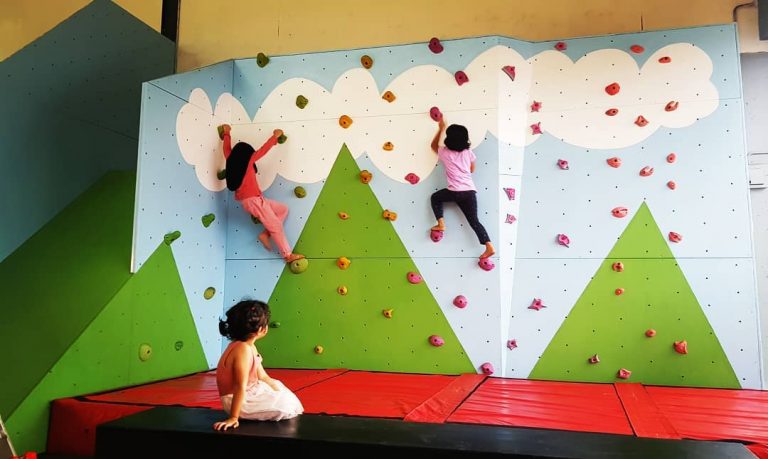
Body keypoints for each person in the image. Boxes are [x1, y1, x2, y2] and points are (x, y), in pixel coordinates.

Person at [219, 124, 304, 263]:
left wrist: (227, 132)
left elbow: (227, 148)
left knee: (283, 209)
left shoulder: (231, 159)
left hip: (256, 200)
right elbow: (263, 151)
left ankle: (265, 234)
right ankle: (287, 255)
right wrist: (275, 136)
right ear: (247, 155)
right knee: (275, 225)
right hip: (253, 201)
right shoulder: (247, 161)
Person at [214, 300, 304, 431]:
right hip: (237, 400)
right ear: (261, 329)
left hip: (249, 391)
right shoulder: (242, 349)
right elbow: (240, 386)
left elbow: (262, 375)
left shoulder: (248, 346)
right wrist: (234, 417)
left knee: (282, 391)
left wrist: (278, 390)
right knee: (284, 405)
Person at [430, 119, 495, 259]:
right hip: (470, 191)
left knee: (435, 197)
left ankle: (441, 223)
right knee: (474, 221)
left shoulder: (445, 152)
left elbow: (433, 145)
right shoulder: (468, 152)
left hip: (455, 191)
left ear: (448, 139)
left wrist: (441, 128)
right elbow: (471, 169)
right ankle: (489, 246)